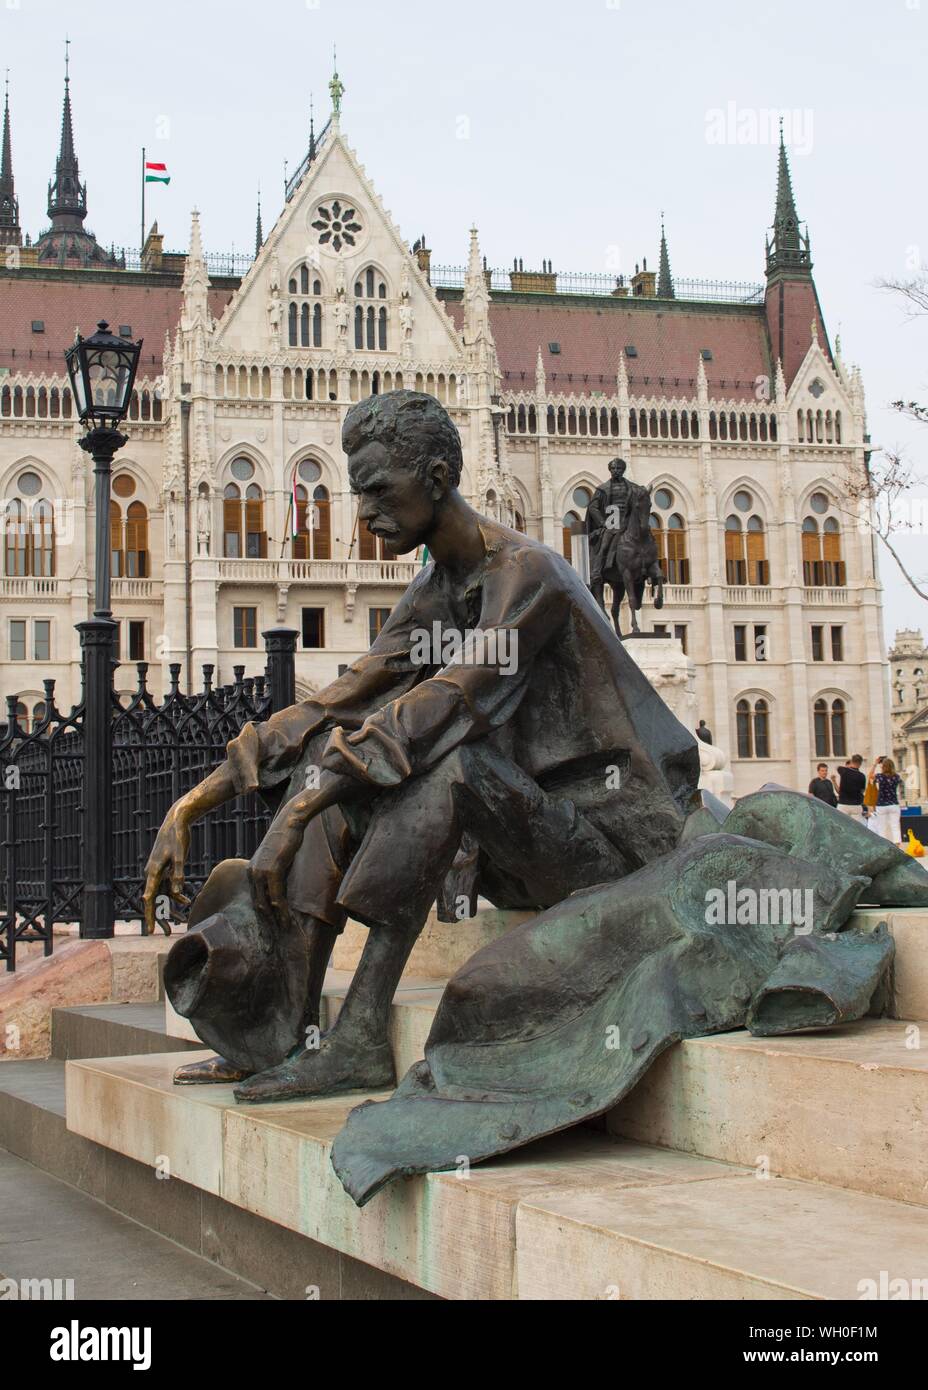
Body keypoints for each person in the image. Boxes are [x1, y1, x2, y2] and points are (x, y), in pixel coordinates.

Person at [142, 390, 699, 1103]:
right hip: (525, 848)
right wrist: (193, 803)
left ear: (437, 479)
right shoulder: (439, 586)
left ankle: (361, 1037)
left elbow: (446, 707)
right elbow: (337, 701)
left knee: (447, 765)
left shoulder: (529, 575)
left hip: (619, 853)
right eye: (358, 493)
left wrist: (296, 814)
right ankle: (280, 1028)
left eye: (378, 491)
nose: (363, 513)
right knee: (332, 759)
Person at [869, 756, 904, 844]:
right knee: (895, 826)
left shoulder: (879, 776)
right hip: (893, 804)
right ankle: (897, 844)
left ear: (883, 766)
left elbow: (870, 776)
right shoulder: (896, 777)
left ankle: (884, 844)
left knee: (882, 826)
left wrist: (875, 764)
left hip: (881, 804)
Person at [833, 754, 867, 819]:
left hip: (843, 804)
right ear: (860, 764)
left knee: (842, 823)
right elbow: (862, 790)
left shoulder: (844, 770)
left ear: (851, 761)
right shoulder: (862, 776)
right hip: (856, 805)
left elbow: (837, 767)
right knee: (856, 824)